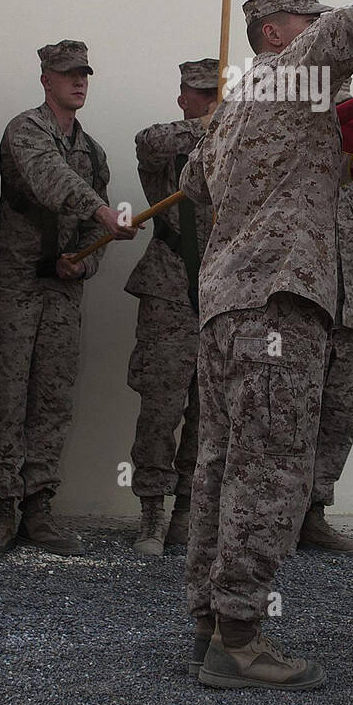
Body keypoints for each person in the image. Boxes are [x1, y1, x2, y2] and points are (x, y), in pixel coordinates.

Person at [180, 0, 353, 689]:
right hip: (279, 303)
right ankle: (238, 640)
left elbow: (195, 186)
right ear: (276, 31)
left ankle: (209, 621)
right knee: (270, 469)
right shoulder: (296, 73)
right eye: (311, 18)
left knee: (219, 464)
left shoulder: (233, 106)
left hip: (223, 305)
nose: (323, 27)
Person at [0, 40, 136, 559]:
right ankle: (2, 510)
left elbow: (98, 233)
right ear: (45, 79)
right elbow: (49, 181)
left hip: (62, 295)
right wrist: (103, 213)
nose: (78, 82)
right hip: (16, 288)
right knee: (7, 400)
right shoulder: (25, 131)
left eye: (84, 73)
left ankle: (38, 509)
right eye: (67, 74)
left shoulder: (94, 152)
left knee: (52, 402)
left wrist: (84, 261)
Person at [125, 58, 218, 556]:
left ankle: (187, 509)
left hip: (221, 291)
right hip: (168, 287)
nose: (210, 102)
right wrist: (205, 127)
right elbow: (146, 141)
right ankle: (151, 512)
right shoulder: (168, 148)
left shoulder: (238, 146)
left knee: (208, 409)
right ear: (184, 97)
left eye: (216, 94)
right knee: (161, 406)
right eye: (200, 94)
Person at [298, 80, 353, 555]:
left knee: (337, 416)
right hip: (300, 309)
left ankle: (313, 514)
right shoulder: (288, 154)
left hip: (349, 310)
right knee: (288, 415)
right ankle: (272, 518)